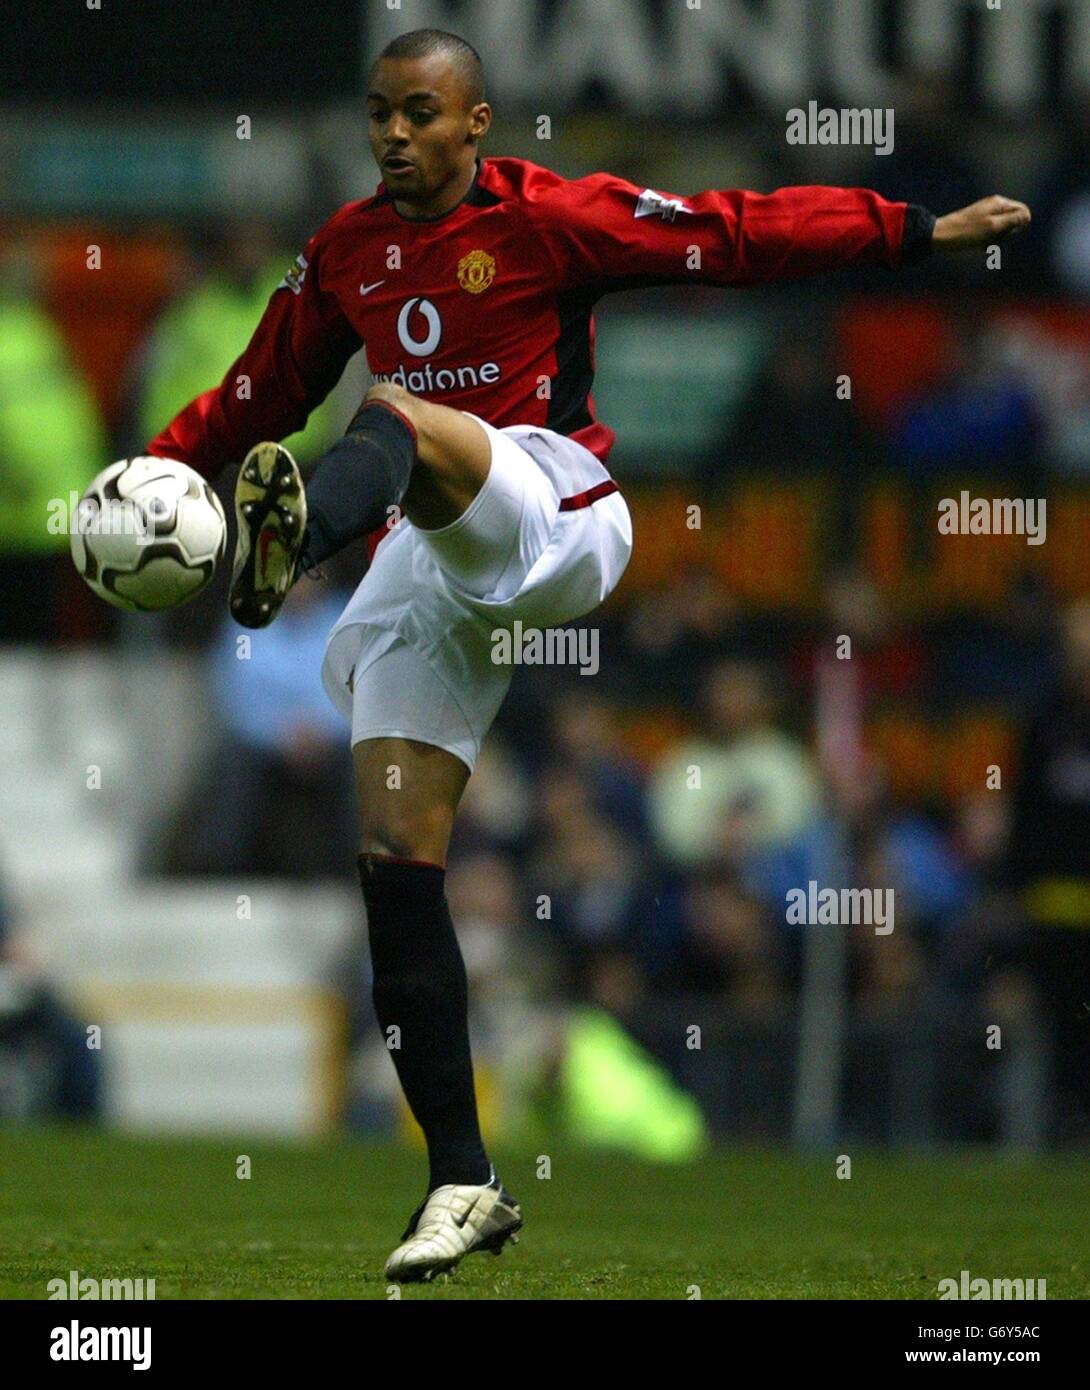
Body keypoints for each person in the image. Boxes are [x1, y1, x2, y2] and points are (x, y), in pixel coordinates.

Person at [144, 27, 1031, 1281]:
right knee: (395, 854)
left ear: (476, 124)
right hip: (433, 550)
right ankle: (462, 1177)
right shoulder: (346, 250)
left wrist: (909, 228)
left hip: (555, 506)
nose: (393, 135)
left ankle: (293, 548)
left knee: (393, 415)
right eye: (379, 114)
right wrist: (161, 472)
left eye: (419, 113)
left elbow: (731, 232)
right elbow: (256, 393)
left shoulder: (551, 217)